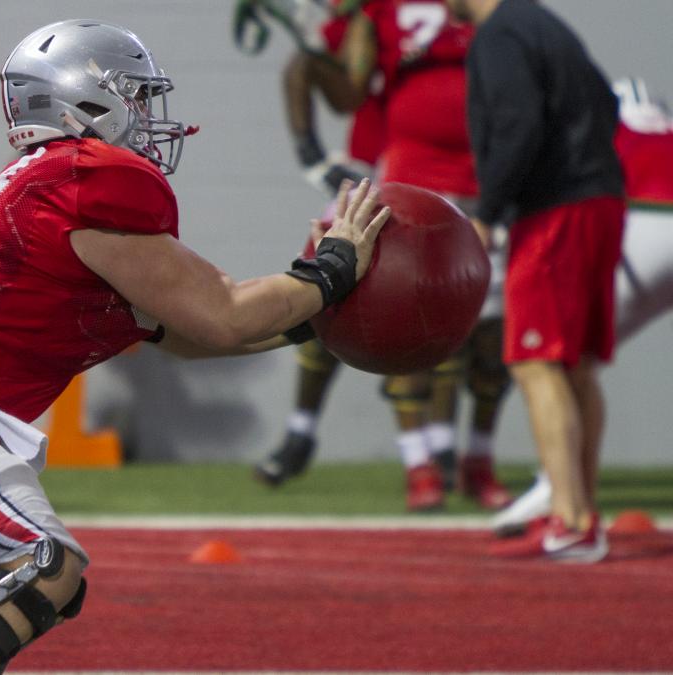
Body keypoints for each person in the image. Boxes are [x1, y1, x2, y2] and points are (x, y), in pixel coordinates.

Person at [0, 19, 390, 675]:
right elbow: (225, 313)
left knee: (32, 588)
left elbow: (194, 336)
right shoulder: (92, 172)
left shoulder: (57, 180)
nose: (148, 116)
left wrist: (316, 315)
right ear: (85, 100)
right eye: (135, 95)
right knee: (38, 564)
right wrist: (332, 268)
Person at [248, 0, 512, 511]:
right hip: (405, 178)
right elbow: (337, 84)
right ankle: (412, 459)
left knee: (490, 336)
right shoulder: (379, 11)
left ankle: (466, 458)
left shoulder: (495, 15)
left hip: (484, 186)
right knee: (377, 305)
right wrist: (312, 156)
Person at [447, 0, 625, 562]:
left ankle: (572, 519)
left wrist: (488, 211)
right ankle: (580, 512)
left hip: (554, 211)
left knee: (535, 359)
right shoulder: (544, 25)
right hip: (599, 197)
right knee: (575, 365)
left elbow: (518, 122)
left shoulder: (500, 34)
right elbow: (607, 102)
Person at [492, 77, 673, 537]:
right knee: (574, 363)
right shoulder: (663, 135)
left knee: (558, 359)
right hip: (651, 217)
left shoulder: (599, 131)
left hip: (649, 221)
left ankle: (559, 492)